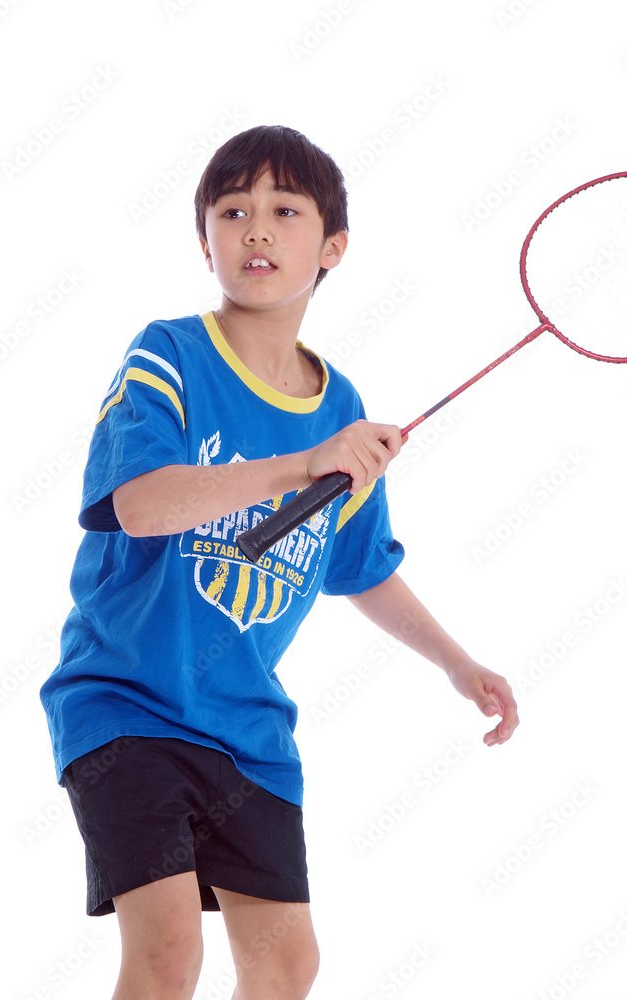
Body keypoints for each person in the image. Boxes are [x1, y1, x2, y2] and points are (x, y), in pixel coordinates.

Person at [40, 124, 519, 1000]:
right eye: (234, 211)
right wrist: (304, 465)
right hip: (125, 709)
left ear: (332, 247)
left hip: (250, 733)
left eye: (284, 210)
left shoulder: (340, 404)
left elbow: (359, 562)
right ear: (205, 241)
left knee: (288, 963)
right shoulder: (170, 356)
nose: (256, 228)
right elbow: (140, 504)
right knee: (167, 947)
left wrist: (459, 663)